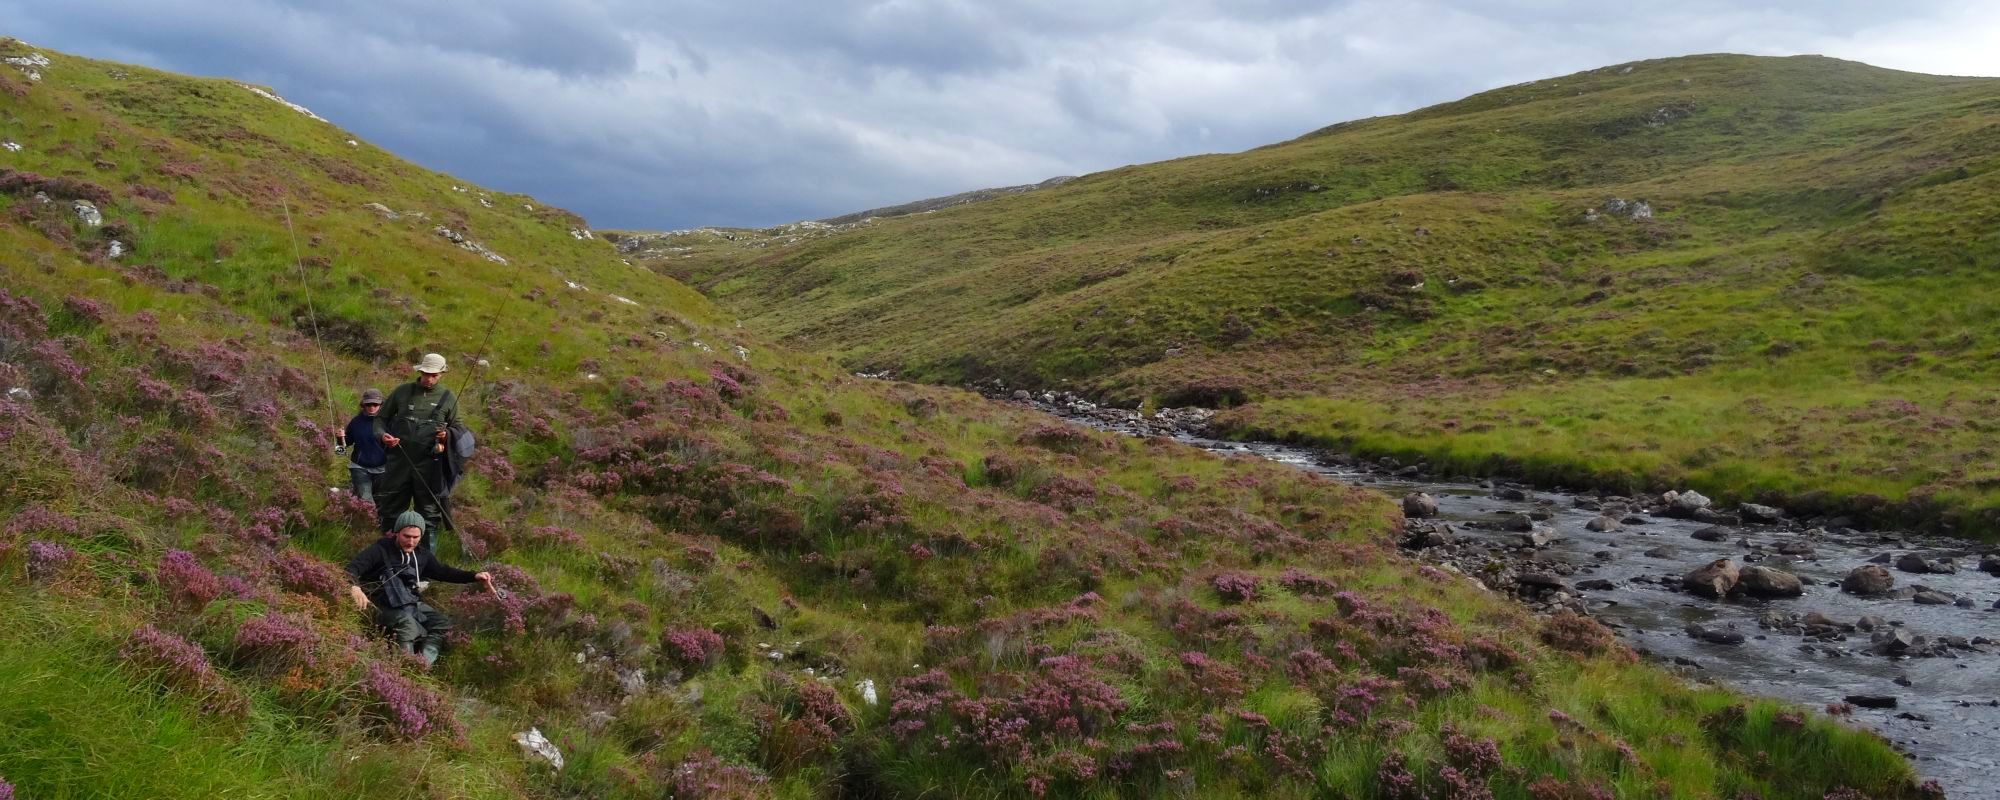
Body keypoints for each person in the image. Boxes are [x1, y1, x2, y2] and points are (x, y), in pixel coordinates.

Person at [345, 510, 494, 666]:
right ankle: (404, 667)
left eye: (415, 537)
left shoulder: (422, 555)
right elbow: (351, 569)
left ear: (421, 536)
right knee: (407, 624)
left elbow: (443, 572)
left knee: (442, 624)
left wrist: (474, 576)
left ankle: (423, 664)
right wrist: (354, 587)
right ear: (397, 532)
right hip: (380, 604)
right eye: (406, 536)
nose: (411, 542)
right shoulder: (379, 550)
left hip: (410, 602)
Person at [374, 353, 458, 550]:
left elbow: (459, 429)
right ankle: (388, 555)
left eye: (434, 375)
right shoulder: (402, 392)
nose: (429, 379)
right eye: (426, 374)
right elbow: (380, 419)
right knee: (390, 510)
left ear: (442, 374)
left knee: (429, 515)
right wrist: (383, 436)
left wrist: (447, 436)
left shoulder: (449, 398)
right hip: (398, 462)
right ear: (420, 371)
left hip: (429, 467)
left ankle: (425, 561)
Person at [339, 388, 388, 502]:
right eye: (368, 404)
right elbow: (345, 444)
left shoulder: (389, 422)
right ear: (363, 405)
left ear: (381, 405)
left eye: (375, 404)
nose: (372, 407)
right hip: (359, 467)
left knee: (381, 501)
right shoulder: (356, 422)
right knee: (366, 501)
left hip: (383, 468)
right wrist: (340, 438)